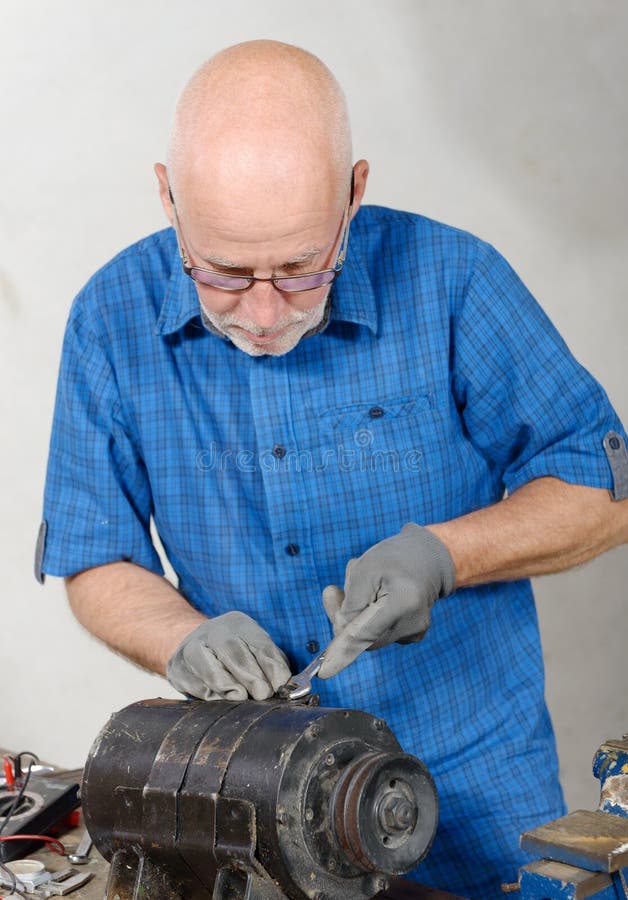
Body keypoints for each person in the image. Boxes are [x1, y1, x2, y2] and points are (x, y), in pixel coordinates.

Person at [36, 40, 628, 899]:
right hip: (254, 786)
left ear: (354, 192)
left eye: (305, 267)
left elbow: (604, 490)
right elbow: (96, 556)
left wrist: (446, 555)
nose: (267, 312)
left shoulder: (455, 279)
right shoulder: (109, 320)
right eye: (227, 274)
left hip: (469, 770)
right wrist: (180, 637)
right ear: (168, 195)